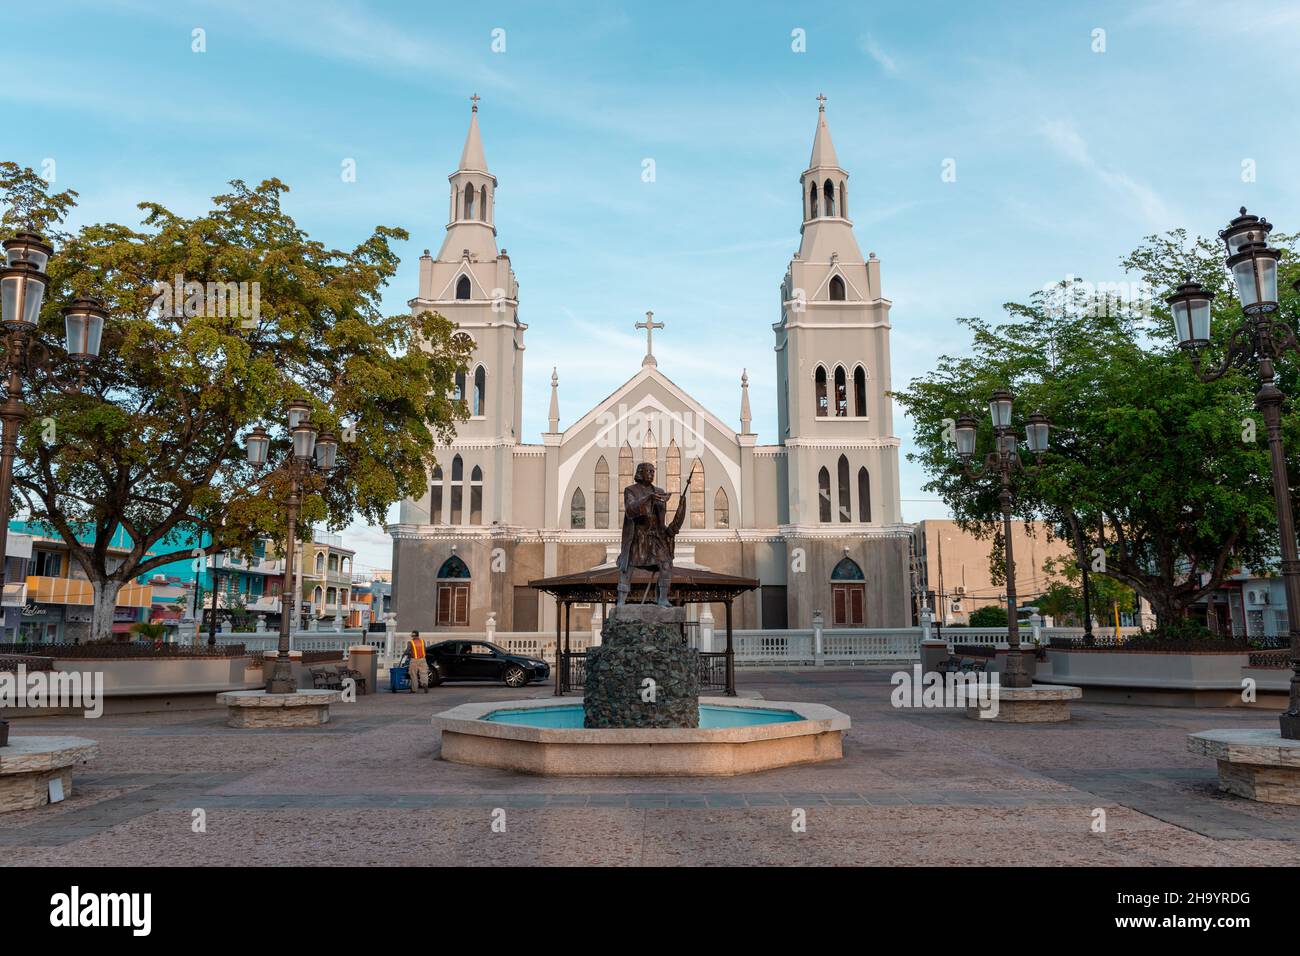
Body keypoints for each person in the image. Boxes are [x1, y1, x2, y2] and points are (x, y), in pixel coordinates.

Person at [616, 462, 690, 606]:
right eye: (648, 471)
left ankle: (662, 598)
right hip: (638, 537)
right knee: (627, 568)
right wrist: (649, 498)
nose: (651, 473)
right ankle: (621, 601)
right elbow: (630, 510)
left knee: (666, 564)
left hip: (656, 536)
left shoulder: (659, 491)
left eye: (652, 471)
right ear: (640, 473)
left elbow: (661, 518)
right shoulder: (630, 490)